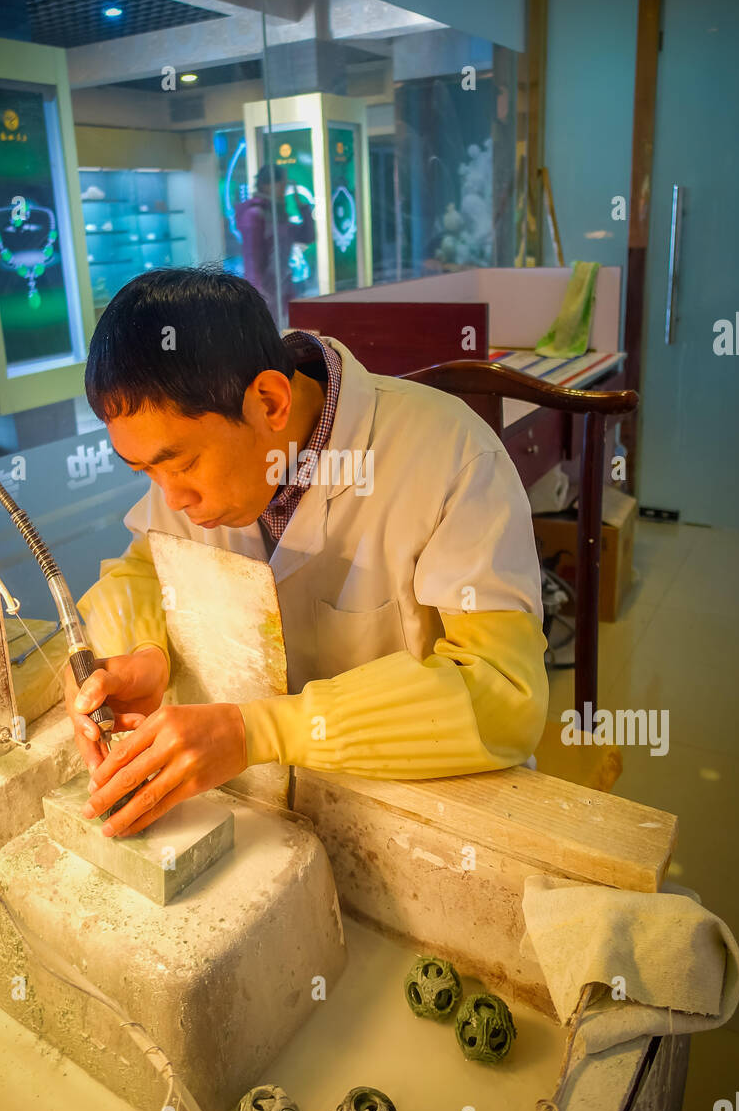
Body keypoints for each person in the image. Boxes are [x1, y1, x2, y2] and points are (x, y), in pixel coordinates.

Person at [65, 267, 548, 838]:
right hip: (268, 808)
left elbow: (502, 692)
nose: (173, 497)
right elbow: (147, 565)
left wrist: (257, 732)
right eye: (145, 471)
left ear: (269, 401)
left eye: (183, 464)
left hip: (426, 813)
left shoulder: (450, 455)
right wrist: (143, 653)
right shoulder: (188, 460)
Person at [235, 162, 315, 318]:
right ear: (266, 185)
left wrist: (303, 208)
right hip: (266, 293)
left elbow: (307, 236)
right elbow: (253, 261)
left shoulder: (278, 214)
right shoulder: (256, 214)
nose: (285, 187)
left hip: (282, 288)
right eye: (282, 183)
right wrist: (259, 297)